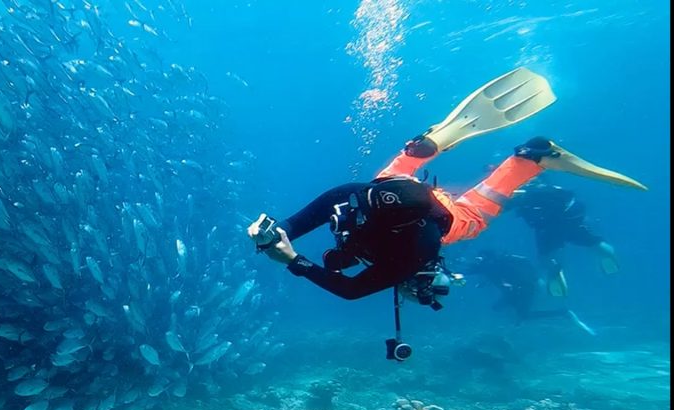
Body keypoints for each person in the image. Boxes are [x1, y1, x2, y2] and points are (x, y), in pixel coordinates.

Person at [248, 67, 646, 306]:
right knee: (391, 180)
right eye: (368, 200)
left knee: (473, 209)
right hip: (402, 194)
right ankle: (488, 153)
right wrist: (274, 238)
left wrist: (290, 257)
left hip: (447, 218)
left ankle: (517, 158)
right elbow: (307, 241)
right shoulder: (363, 195)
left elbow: (350, 291)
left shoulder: (418, 246)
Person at [508, 182, 618, 297]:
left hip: (548, 229)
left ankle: (554, 270)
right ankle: (608, 253)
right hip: (569, 223)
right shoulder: (549, 188)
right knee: (591, 241)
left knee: (545, 257)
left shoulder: (522, 194)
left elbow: (504, 206)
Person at [463, 249, 596, 335]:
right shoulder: (494, 264)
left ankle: (564, 313)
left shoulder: (496, 266)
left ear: (486, 259)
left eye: (480, 259)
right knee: (497, 307)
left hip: (524, 290)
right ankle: (518, 320)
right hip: (516, 291)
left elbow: (473, 270)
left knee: (524, 315)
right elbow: (472, 270)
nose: (478, 261)